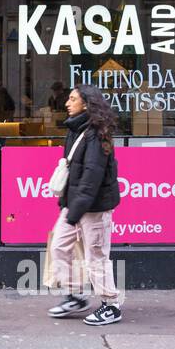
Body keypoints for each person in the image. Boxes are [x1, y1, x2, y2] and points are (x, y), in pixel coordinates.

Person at [47, 84, 123, 326]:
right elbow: (73, 172)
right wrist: (68, 205)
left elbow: (92, 176)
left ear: (87, 104)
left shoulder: (98, 134)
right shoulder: (75, 129)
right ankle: (75, 295)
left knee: (97, 256)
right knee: (59, 245)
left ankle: (111, 305)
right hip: (75, 205)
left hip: (95, 208)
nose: (67, 103)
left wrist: (74, 210)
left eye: (72, 99)